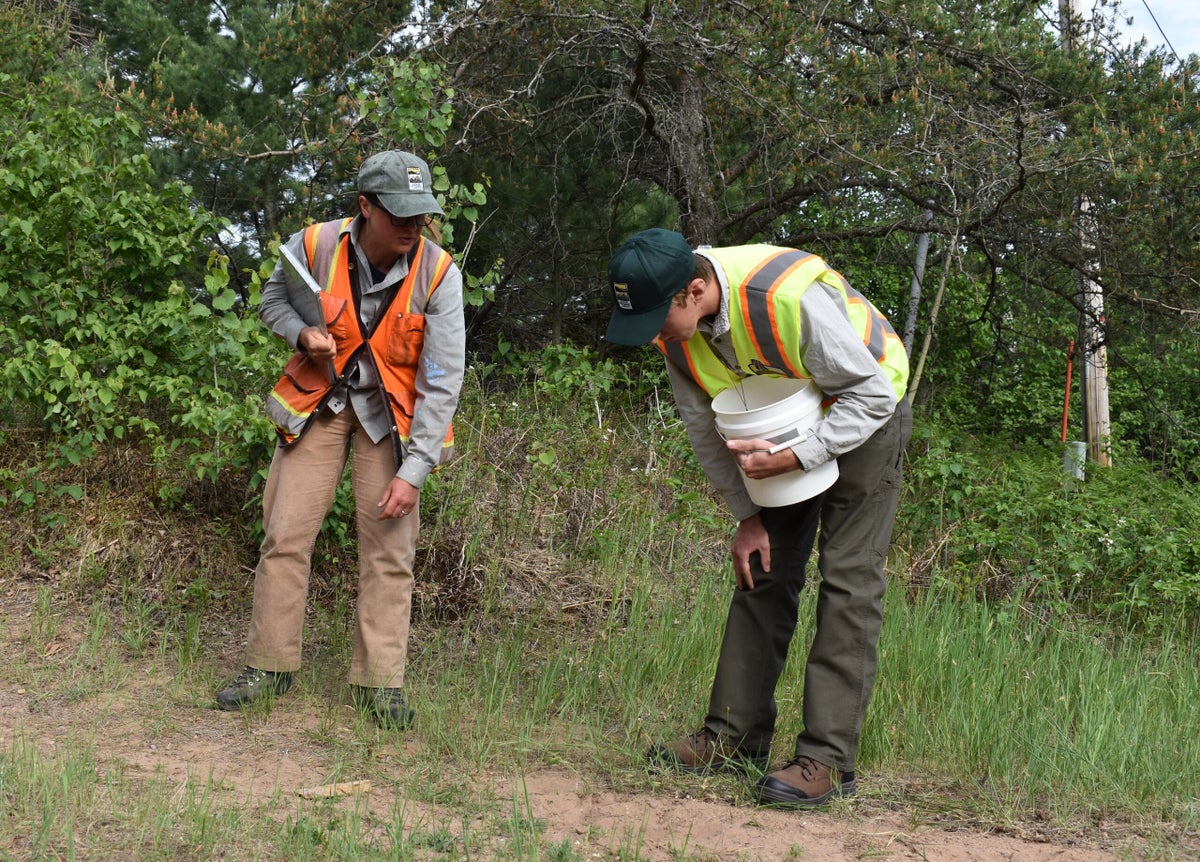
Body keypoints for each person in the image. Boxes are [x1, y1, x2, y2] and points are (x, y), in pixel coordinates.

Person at [605, 228, 911, 807]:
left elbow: (870, 394)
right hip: (780, 422)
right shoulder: (675, 331)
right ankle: (732, 736)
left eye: (654, 319)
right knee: (763, 567)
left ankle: (827, 760)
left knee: (848, 577)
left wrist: (802, 455)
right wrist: (749, 515)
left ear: (694, 291)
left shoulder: (785, 300)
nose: (650, 336)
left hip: (867, 413)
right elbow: (704, 429)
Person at [216, 150, 466, 729]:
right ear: (364, 207)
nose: (412, 227)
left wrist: (415, 471)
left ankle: (380, 684)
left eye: (420, 215)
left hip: (390, 421)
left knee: (390, 549)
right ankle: (268, 668)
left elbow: (443, 380)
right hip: (321, 403)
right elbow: (272, 301)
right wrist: (301, 333)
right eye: (398, 214)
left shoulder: (438, 273)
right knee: (284, 534)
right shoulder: (314, 245)